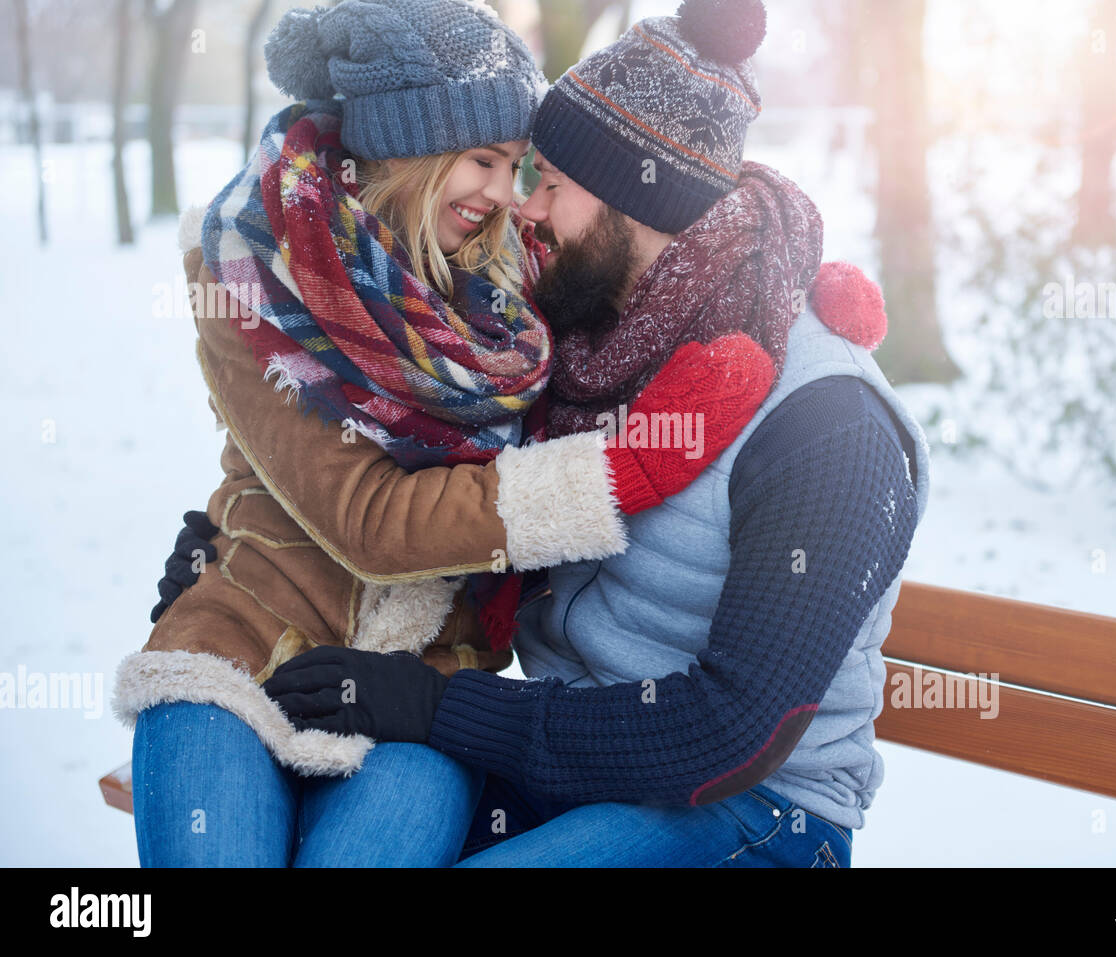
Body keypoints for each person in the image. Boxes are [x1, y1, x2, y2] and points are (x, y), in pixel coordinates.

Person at [153, 0, 931, 867]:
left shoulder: (828, 423)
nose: (523, 210)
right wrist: (239, 538)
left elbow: (729, 733)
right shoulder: (593, 336)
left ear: (641, 199)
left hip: (752, 811)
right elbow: (420, 464)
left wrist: (440, 709)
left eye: (549, 180)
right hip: (568, 766)